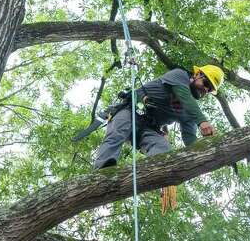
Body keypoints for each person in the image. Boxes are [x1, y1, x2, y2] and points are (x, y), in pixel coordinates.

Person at [92, 64, 224, 170]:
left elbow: (191, 142)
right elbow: (184, 97)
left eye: (210, 90)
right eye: (206, 83)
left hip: (148, 128)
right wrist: (202, 121)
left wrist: (206, 146)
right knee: (118, 131)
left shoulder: (189, 113)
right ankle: (103, 169)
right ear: (197, 74)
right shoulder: (179, 75)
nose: (206, 90)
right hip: (130, 112)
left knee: (164, 149)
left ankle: (155, 174)